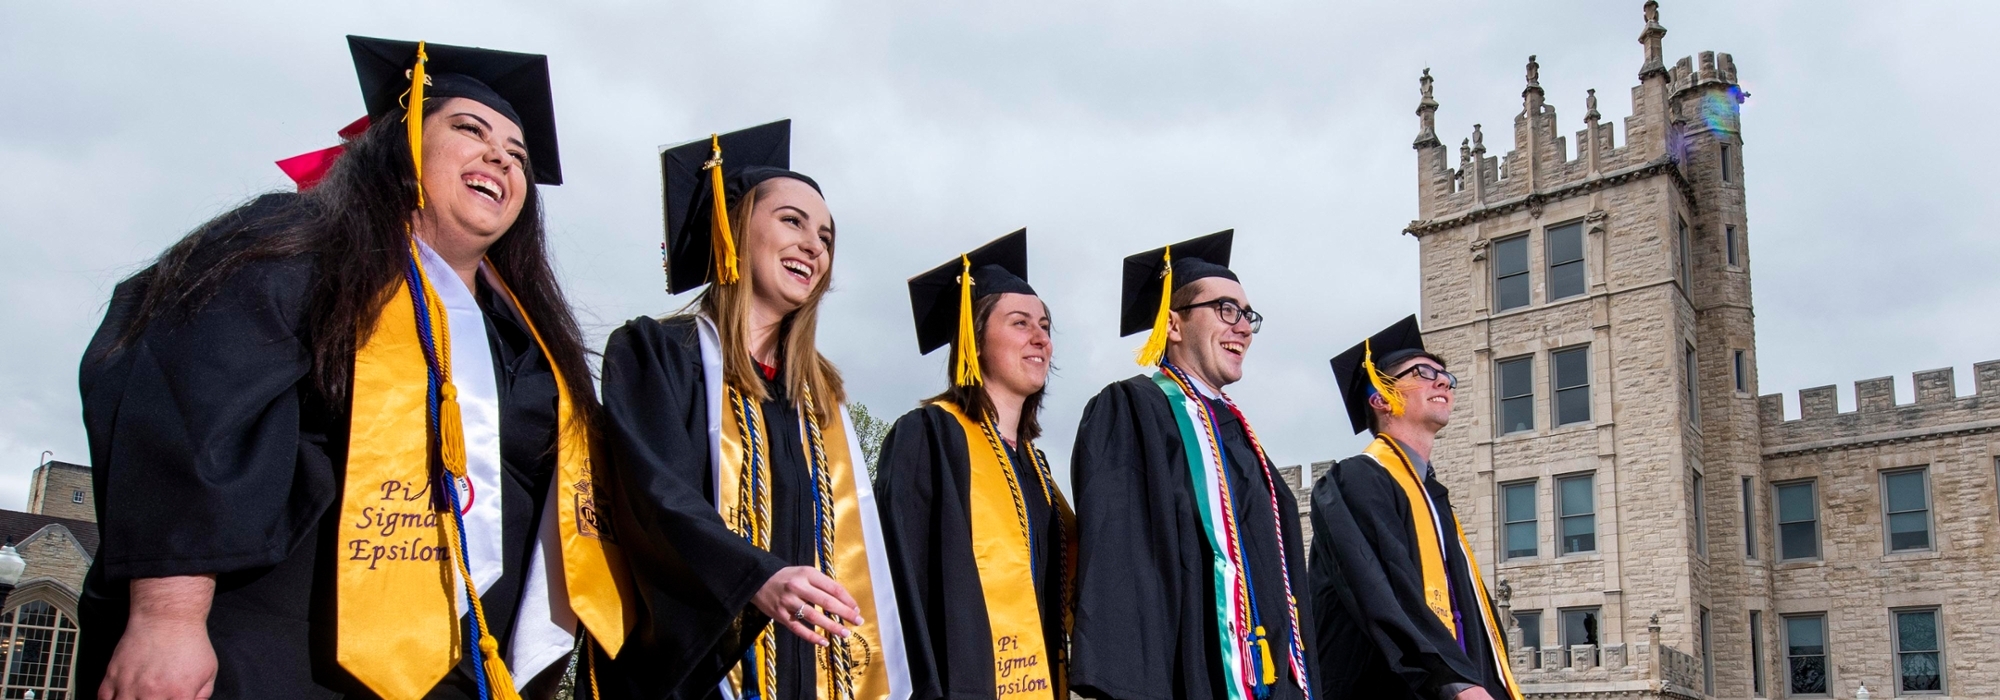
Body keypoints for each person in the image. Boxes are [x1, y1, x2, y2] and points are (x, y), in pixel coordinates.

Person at [76, 36, 633, 699]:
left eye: (517, 155)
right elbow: (189, 398)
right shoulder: (302, 242)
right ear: (399, 143)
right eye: (469, 129)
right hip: (277, 649)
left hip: (463, 667)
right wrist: (168, 617)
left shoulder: (529, 339)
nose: (499, 157)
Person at [599, 120, 910, 700]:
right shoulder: (656, 354)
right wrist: (753, 577)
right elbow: (655, 498)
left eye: (827, 236)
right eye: (792, 221)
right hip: (693, 675)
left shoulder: (817, 405)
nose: (814, 246)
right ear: (735, 230)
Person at [1068, 230, 1315, 700]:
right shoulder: (1133, 411)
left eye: (1248, 315)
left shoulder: (1244, 438)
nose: (1242, 326)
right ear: (1174, 325)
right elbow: (1123, 573)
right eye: (1225, 310)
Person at [874, 230, 1075, 700]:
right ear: (975, 338)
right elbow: (905, 584)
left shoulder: (1037, 470)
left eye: (1045, 326)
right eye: (1020, 323)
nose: (1040, 338)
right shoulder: (928, 437)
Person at [1310, 315, 1521, 700]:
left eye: (1446, 377)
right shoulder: (1354, 481)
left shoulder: (1434, 497)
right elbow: (1382, 589)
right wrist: (1457, 684)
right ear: (1380, 398)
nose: (1443, 381)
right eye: (1422, 373)